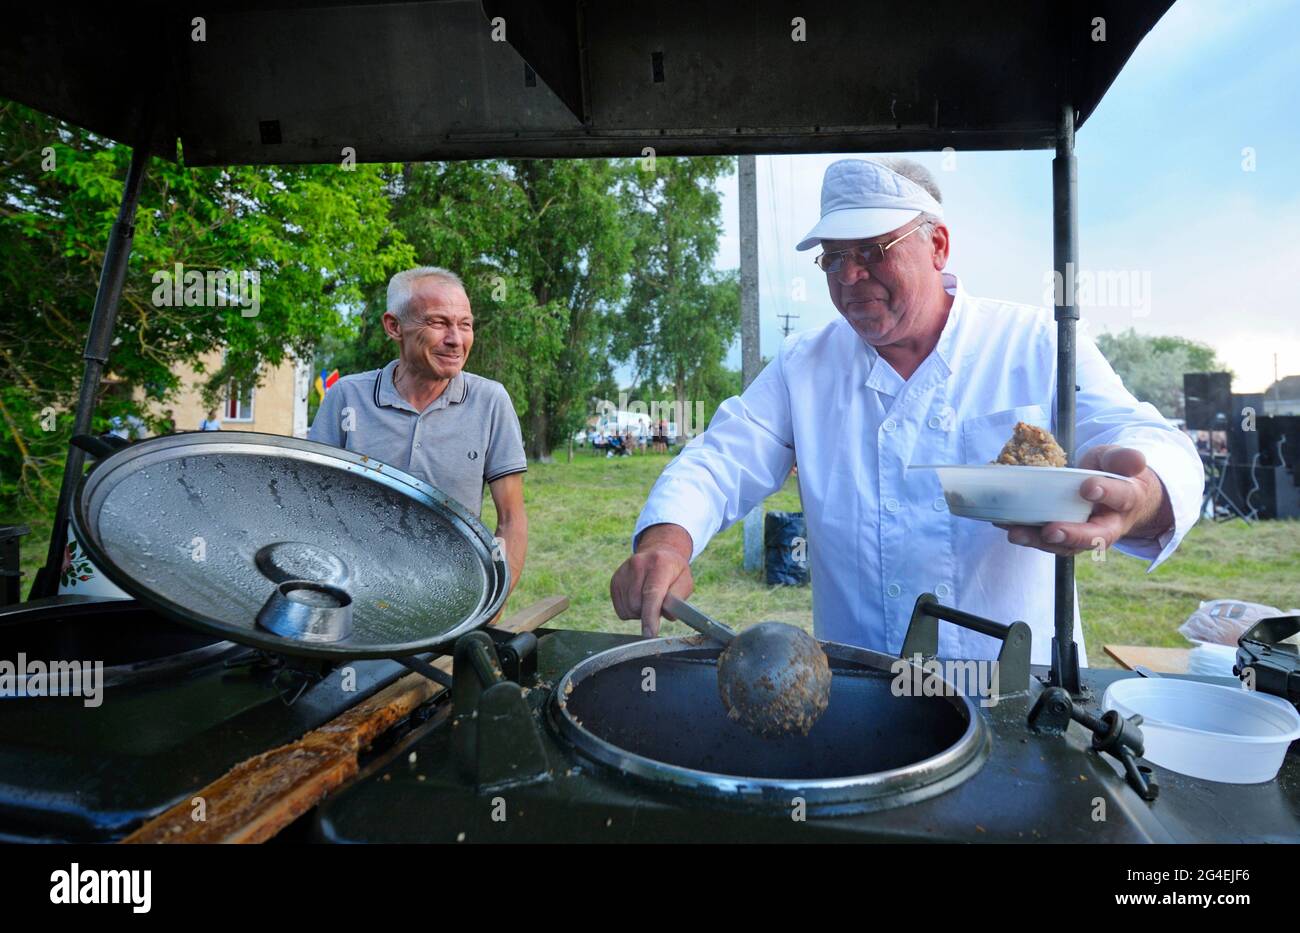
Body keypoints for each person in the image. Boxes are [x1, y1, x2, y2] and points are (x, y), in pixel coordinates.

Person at [609, 158, 1203, 664]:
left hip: (1015, 689)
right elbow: (721, 459)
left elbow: (1143, 439)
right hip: (861, 685)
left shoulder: (1034, 344)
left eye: (872, 250)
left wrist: (1141, 497)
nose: (850, 276)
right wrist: (666, 544)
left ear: (937, 245)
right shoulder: (806, 365)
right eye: (833, 259)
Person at [308, 266, 529, 594]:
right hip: (356, 592)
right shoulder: (346, 396)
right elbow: (309, 504)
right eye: (438, 322)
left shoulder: (490, 401)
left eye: (465, 325)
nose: (455, 340)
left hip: (452, 594)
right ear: (394, 326)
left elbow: (511, 520)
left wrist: (492, 600)